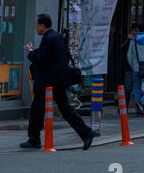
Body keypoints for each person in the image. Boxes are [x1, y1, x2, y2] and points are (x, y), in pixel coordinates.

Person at [23, 14, 93, 150]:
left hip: (47, 81)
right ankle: (86, 133)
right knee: (65, 108)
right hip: (59, 80)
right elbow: (53, 56)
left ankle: (34, 139)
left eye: (37, 25)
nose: (36, 28)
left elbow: (40, 58)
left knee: (37, 109)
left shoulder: (48, 39)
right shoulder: (57, 36)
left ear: (42, 26)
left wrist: (31, 52)